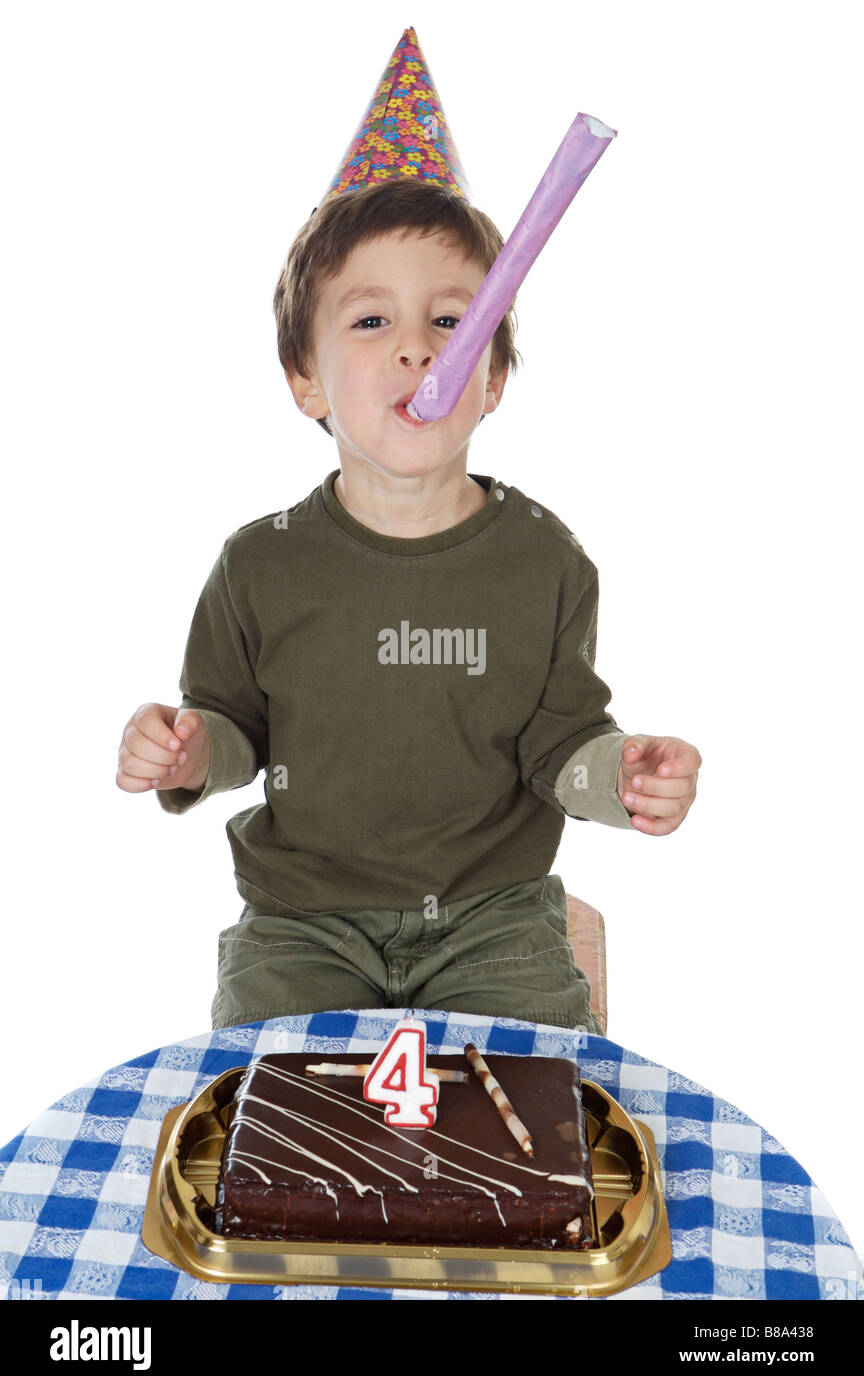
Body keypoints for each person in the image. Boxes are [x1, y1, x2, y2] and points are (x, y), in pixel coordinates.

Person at [115, 30, 700, 1035]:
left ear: (494, 375)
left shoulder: (546, 560)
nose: (417, 351)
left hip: (492, 917)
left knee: (529, 1102)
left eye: (450, 323)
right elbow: (234, 728)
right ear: (306, 379)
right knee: (270, 1094)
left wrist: (620, 775)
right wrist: (184, 749)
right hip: (304, 923)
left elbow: (561, 739)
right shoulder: (259, 565)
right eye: (371, 323)